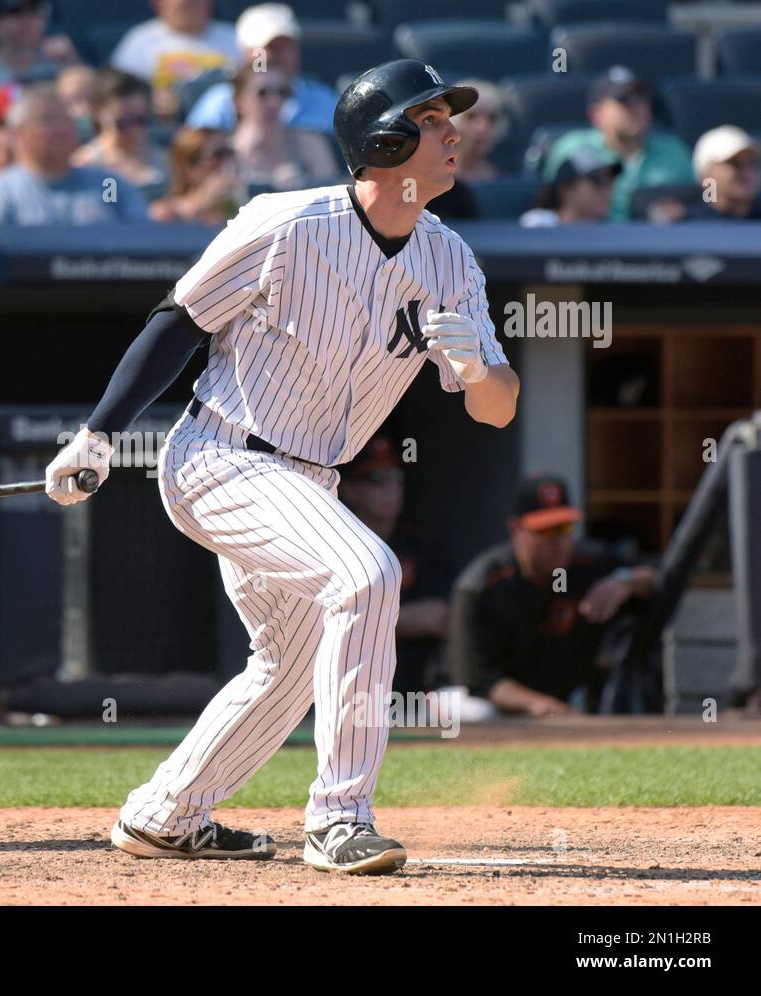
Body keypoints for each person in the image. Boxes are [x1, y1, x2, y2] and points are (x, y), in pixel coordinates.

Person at [43, 60, 517, 873]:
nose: (454, 134)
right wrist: (97, 434)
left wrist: (480, 370)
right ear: (385, 141)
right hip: (221, 456)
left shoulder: (451, 262)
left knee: (290, 665)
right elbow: (178, 321)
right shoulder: (287, 222)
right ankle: (339, 817)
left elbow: (497, 408)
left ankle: (164, 814)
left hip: (312, 482)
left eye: (451, 120)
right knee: (367, 575)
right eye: (433, 121)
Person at [447, 475, 657, 717]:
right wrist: (543, 706)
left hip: (552, 702)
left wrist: (625, 581)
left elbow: (657, 574)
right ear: (516, 530)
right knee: (479, 713)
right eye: (545, 531)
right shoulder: (482, 584)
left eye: (565, 528)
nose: (558, 541)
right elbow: (479, 679)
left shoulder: (586, 563)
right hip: (464, 699)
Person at [337, 436, 449, 697]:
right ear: (351, 489)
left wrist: (367, 618)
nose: (390, 487)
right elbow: (322, 625)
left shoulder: (420, 545)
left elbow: (440, 616)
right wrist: (403, 618)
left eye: (395, 476)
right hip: (349, 692)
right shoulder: (337, 543)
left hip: (419, 689)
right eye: (376, 479)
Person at [0, 84, 148, 226]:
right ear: (18, 134)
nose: (63, 129)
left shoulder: (110, 185)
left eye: (67, 120)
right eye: (48, 121)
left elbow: (143, 243)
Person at [543, 65, 694, 222]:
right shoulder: (572, 149)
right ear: (596, 114)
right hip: (587, 242)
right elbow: (550, 211)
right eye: (623, 100)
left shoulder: (675, 151)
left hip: (659, 243)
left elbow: (698, 206)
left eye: (641, 97)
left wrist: (682, 211)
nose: (637, 107)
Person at [186, 3, 335, 133]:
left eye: (285, 47)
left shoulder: (324, 100)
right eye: (267, 48)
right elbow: (192, 154)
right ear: (246, 54)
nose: (277, 56)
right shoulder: (219, 103)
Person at [110, 0, 239, 121]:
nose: (195, 6)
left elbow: (255, 77)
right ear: (159, 3)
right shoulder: (140, 42)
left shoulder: (235, 37)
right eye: (187, 5)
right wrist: (150, 100)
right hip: (165, 131)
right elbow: (118, 92)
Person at [230, 64, 336, 190]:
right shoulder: (222, 153)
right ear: (238, 101)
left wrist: (304, 186)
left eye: (282, 93)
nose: (274, 102)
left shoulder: (310, 144)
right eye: (262, 93)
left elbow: (335, 196)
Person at [72, 70, 169, 188]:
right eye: (122, 123)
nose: (134, 130)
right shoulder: (86, 165)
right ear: (98, 114)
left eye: (141, 120)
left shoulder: (164, 161)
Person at [0, 0, 81, 92]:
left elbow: (90, 100)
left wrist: (72, 61)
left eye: (34, 12)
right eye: (16, 12)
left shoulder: (57, 61)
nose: (27, 21)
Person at [149, 127, 245, 223]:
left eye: (229, 152)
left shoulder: (237, 209)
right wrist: (202, 202)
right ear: (188, 166)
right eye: (218, 154)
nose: (226, 161)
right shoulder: (166, 213)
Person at [520, 146, 621, 227]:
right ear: (567, 190)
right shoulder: (539, 224)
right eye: (597, 182)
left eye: (610, 182)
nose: (607, 190)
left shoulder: (610, 231)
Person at [691, 125, 761, 220]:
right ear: (708, 173)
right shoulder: (688, 226)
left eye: (751, 163)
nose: (747, 172)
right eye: (735, 163)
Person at [451, 78, 505, 183]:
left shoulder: (503, 181)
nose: (483, 127)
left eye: (492, 118)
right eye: (471, 116)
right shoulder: (433, 180)